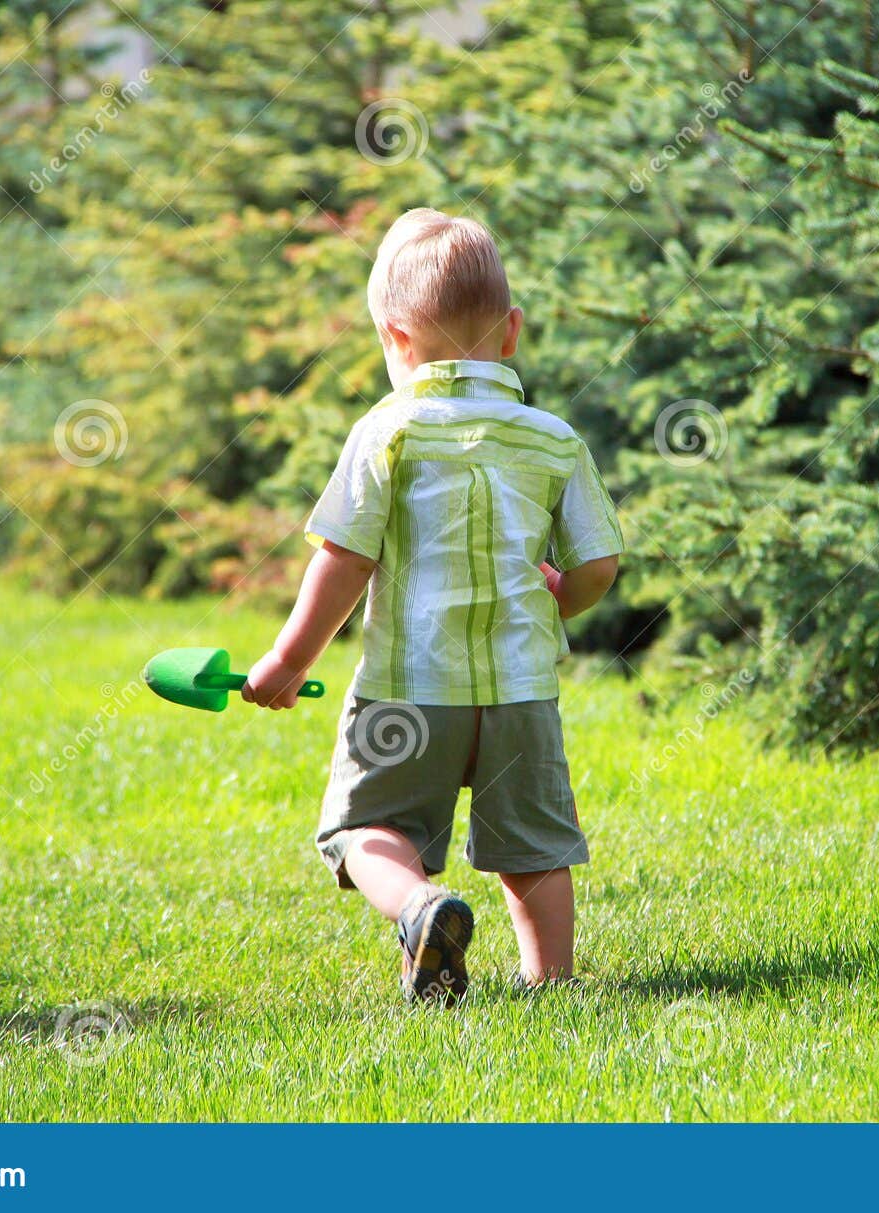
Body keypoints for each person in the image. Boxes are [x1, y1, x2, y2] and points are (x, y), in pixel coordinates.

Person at [241, 208, 623, 1002]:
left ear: (397, 340)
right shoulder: (553, 439)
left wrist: (286, 661)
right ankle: (552, 982)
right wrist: (560, 599)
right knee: (534, 845)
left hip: (410, 691)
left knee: (361, 831)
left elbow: (345, 560)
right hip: (521, 693)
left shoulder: (388, 433)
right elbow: (599, 563)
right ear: (511, 332)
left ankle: (420, 909)